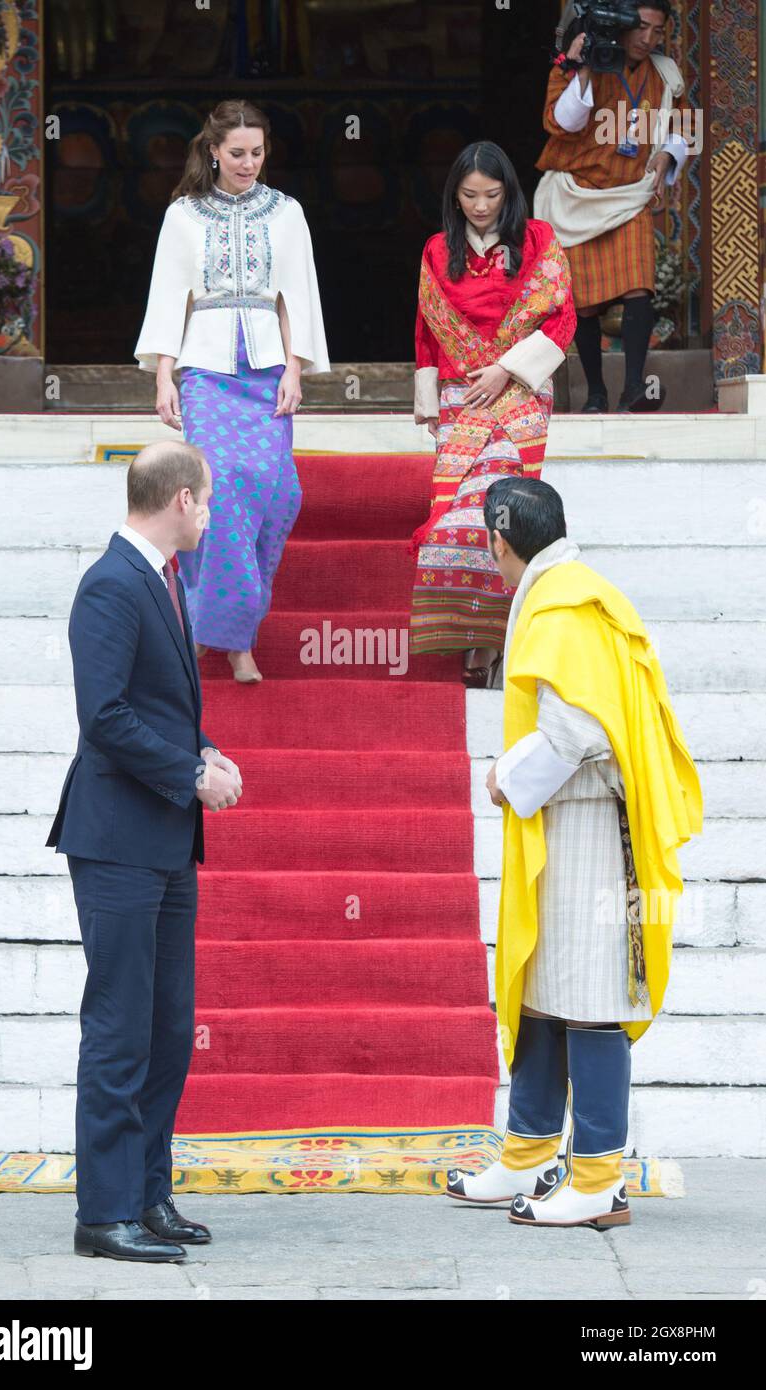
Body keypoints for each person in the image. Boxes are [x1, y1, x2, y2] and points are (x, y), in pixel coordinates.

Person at [446, 476, 702, 1228]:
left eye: (488, 548)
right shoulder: (564, 590)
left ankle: (596, 1177)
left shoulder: (564, 605)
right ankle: (527, 1152)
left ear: (499, 541)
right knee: (538, 986)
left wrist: (504, 777)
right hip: (564, 824)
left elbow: (578, 733)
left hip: (594, 829)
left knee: (590, 999)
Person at [46, 441, 244, 1263]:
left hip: (162, 836)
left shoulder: (160, 580)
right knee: (121, 1025)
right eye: (205, 501)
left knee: (166, 1027)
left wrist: (208, 750)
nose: (210, 513)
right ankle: (104, 1213)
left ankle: (147, 1192)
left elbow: (160, 705)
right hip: (118, 838)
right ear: (180, 500)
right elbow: (106, 718)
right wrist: (190, 773)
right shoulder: (110, 584)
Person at [135, 99, 330, 683]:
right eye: (238, 153)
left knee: (276, 499)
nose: (249, 163)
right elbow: (171, 298)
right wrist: (164, 376)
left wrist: (294, 369)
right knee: (218, 498)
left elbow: (295, 296)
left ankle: (228, 625)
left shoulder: (287, 212)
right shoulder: (184, 215)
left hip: (268, 369)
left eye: (258, 153)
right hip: (206, 371)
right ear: (214, 151)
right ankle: (222, 636)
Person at [409, 141, 577, 690]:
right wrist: (430, 399)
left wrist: (506, 369)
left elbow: (560, 318)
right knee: (461, 516)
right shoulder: (438, 249)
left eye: (492, 194)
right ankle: (480, 635)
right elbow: (428, 328)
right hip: (461, 394)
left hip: (520, 388)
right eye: (469, 195)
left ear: (509, 193)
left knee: (499, 506)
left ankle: (489, 641)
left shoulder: (538, 241)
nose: (481, 206)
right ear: (454, 197)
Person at [534, 2, 692, 413]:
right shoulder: (576, 65)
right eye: (641, 28)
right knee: (583, 302)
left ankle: (635, 387)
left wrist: (667, 156)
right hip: (578, 195)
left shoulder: (663, 76)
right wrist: (585, 68)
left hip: (629, 196)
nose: (647, 39)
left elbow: (683, 126)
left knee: (640, 288)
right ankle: (597, 392)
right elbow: (561, 123)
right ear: (622, 27)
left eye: (658, 32)